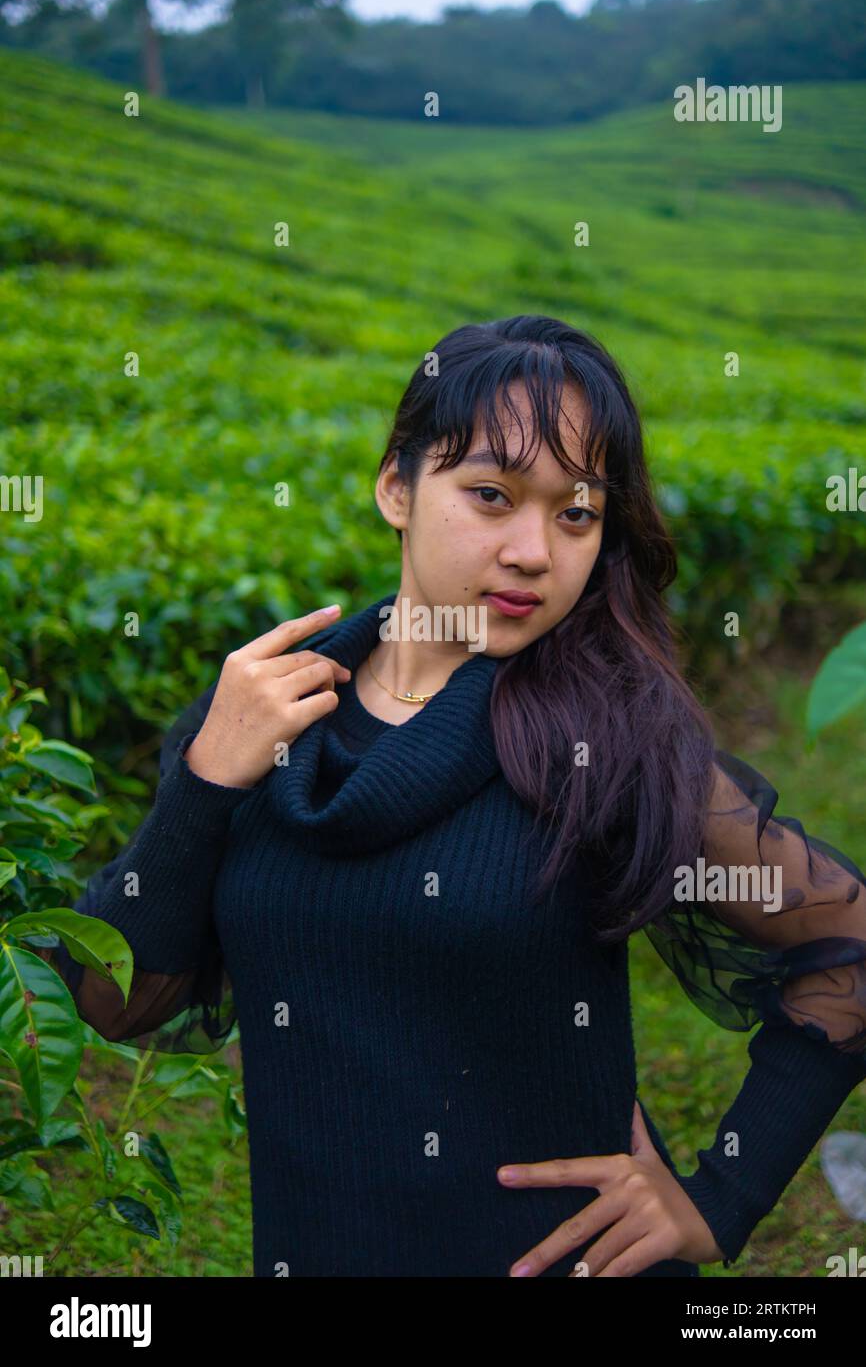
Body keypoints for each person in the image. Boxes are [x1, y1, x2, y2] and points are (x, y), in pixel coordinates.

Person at [45, 315, 866, 1277]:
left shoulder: (609, 740)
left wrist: (719, 1194)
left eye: (577, 514)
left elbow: (847, 941)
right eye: (491, 495)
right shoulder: (265, 719)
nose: (532, 551)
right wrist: (201, 784)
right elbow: (112, 1000)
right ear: (397, 486)